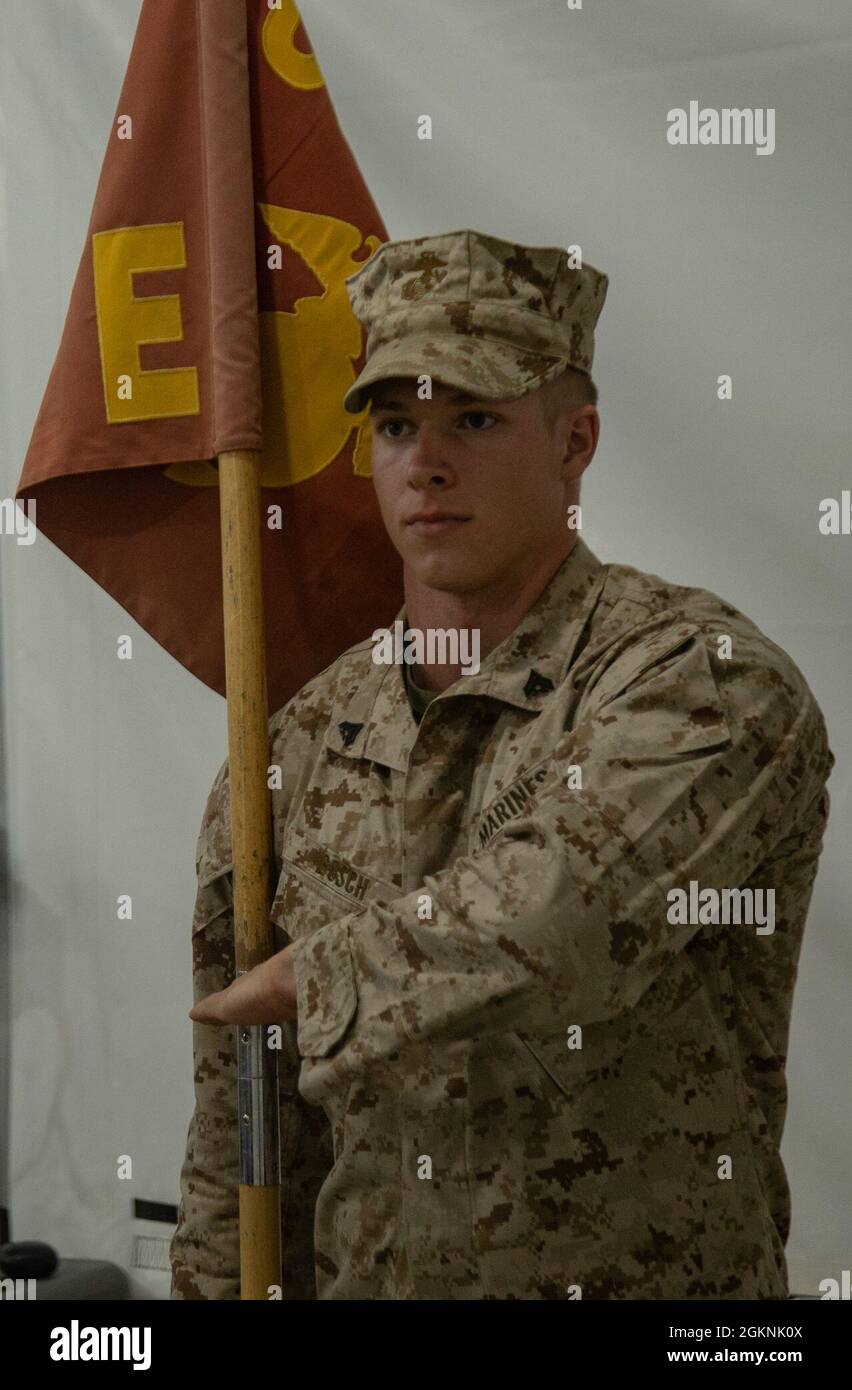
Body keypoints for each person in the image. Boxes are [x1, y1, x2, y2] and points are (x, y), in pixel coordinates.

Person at [169, 228, 833, 1300]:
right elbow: (241, 1121)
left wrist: (316, 976)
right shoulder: (295, 742)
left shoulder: (704, 682)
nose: (425, 464)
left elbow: (565, 924)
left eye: (473, 419)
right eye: (396, 425)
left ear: (576, 442)